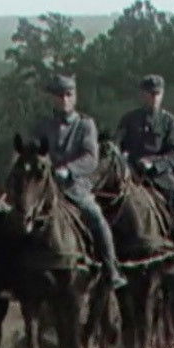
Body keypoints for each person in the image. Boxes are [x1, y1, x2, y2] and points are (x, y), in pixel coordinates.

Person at [30, 74, 128, 289]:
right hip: (46, 186)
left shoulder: (85, 125)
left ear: (74, 97)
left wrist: (69, 169)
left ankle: (111, 268)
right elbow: (34, 152)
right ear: (52, 98)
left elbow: (90, 158)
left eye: (68, 95)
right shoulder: (43, 125)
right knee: (20, 217)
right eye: (59, 95)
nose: (64, 99)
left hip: (75, 186)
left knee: (95, 216)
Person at [114, 74, 174, 274]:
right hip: (132, 174)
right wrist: (126, 161)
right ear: (142, 95)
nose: (154, 97)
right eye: (150, 94)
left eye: (158, 94)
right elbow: (117, 146)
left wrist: (154, 164)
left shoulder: (169, 122)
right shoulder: (129, 120)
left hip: (160, 176)